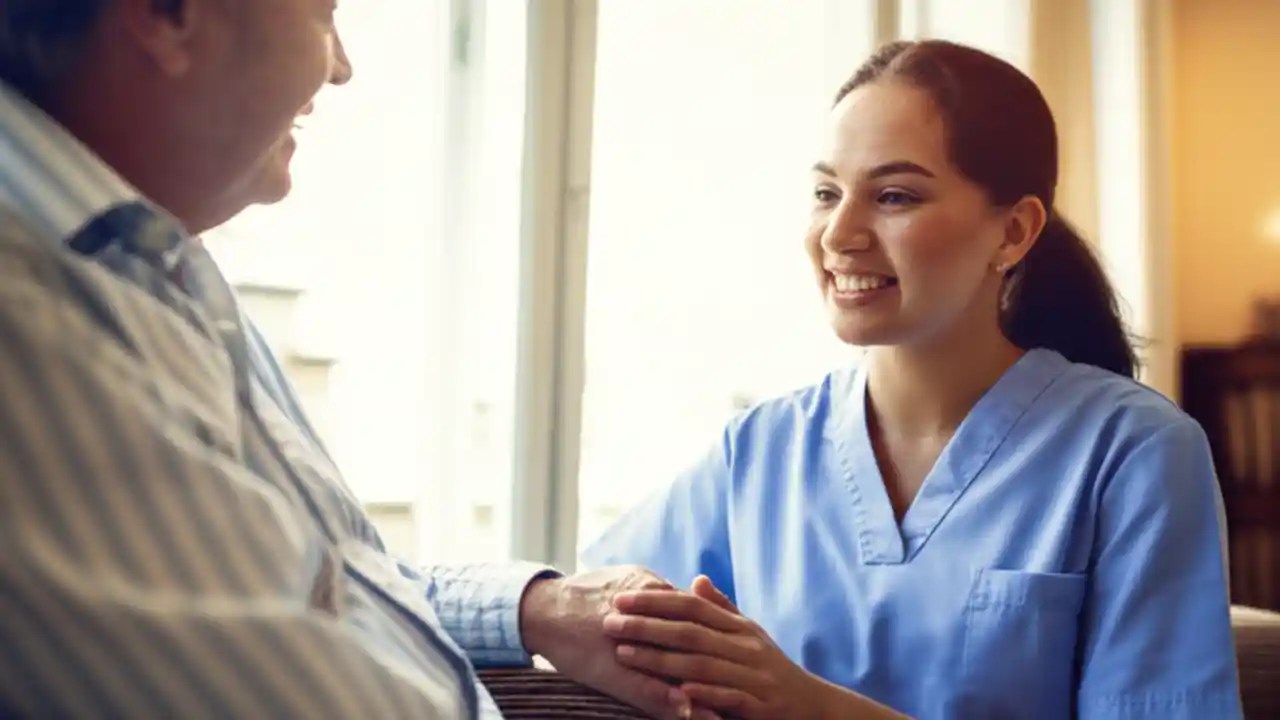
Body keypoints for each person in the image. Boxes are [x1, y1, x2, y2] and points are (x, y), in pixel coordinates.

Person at [0, 2, 695, 718]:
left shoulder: (155, 271)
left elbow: (327, 585)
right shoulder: (34, 329)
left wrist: (532, 608)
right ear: (165, 14)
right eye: (321, 15)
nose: (340, 66)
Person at [583, 40, 1243, 719]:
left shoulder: (1135, 453)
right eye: (825, 193)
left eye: (894, 196)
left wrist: (813, 706)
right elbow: (579, 608)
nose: (838, 234)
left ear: (1013, 232)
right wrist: (525, 607)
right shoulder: (757, 454)